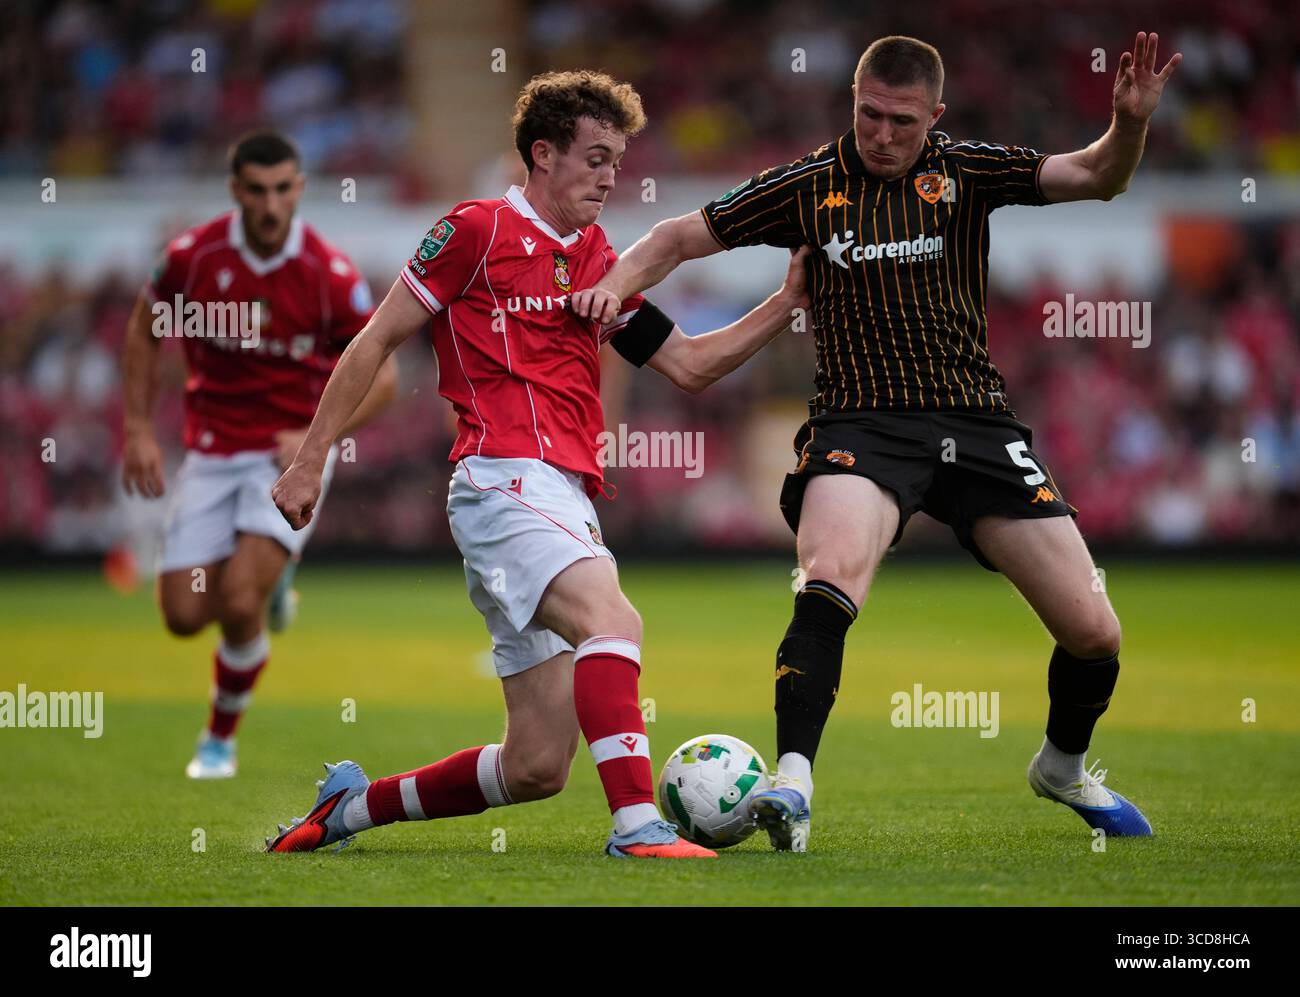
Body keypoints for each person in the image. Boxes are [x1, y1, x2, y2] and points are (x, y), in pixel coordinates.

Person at [572, 33, 1181, 851]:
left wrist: (1129, 125)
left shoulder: (970, 172)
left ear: (935, 116)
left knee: (1095, 633)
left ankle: (1061, 768)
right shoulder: (808, 186)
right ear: (851, 102)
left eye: (901, 121)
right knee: (828, 577)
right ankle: (793, 781)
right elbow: (677, 238)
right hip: (860, 422)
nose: (882, 135)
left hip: (975, 422)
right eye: (868, 115)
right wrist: (612, 286)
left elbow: (1098, 175)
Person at [264, 71, 810, 858]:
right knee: (613, 619)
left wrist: (785, 303)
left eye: (617, 160)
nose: (610, 175)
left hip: (561, 493)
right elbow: (374, 340)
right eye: (594, 157)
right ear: (542, 154)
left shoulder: (597, 258)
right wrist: (312, 458)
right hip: (501, 477)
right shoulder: (475, 231)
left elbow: (689, 364)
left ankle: (349, 807)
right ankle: (637, 828)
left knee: (534, 767)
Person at [121, 129, 397, 779]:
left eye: (282, 189)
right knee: (185, 615)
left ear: (298, 189)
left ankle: (218, 740)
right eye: (257, 190)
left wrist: (313, 439)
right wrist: (136, 428)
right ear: (236, 191)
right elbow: (143, 326)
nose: (271, 204)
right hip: (212, 453)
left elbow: (381, 379)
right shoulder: (192, 257)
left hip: (288, 459)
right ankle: (275, 593)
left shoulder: (328, 274)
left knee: (239, 601)